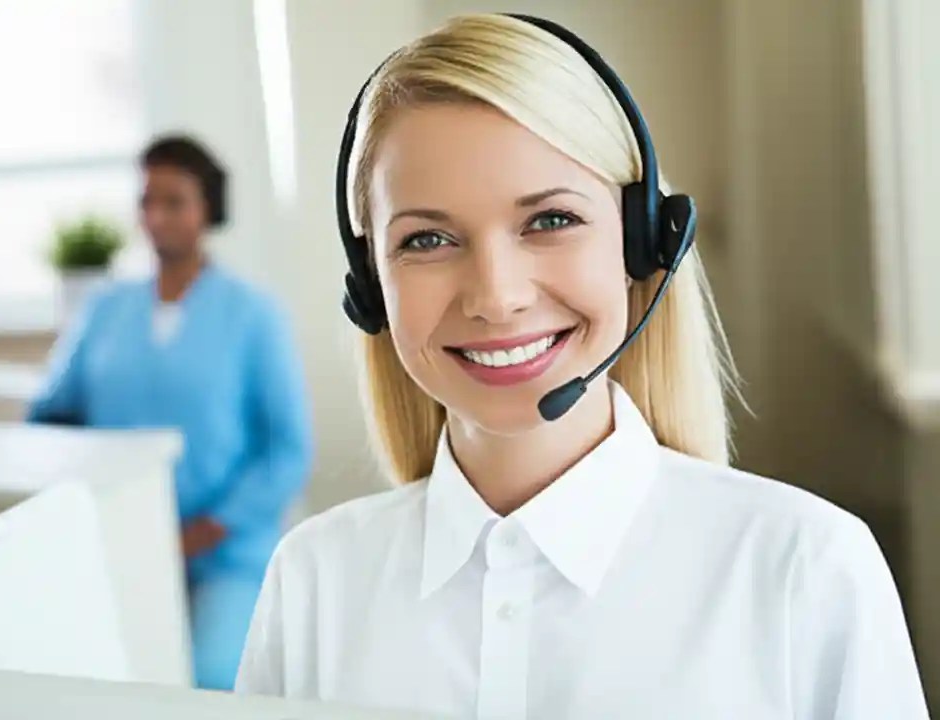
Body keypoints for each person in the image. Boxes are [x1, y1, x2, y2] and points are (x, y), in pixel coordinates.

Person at [235, 14, 927, 719]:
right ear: (371, 285)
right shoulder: (315, 577)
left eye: (550, 221)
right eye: (429, 238)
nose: (497, 297)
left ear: (642, 245)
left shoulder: (803, 566)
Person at [27, 136, 313, 691]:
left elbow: (288, 448)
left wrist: (202, 532)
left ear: (208, 209)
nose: (156, 217)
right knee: (91, 677)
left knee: (207, 677)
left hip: (226, 547)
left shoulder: (253, 313)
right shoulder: (104, 311)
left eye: (174, 201)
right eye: (146, 202)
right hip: (114, 539)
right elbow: (50, 413)